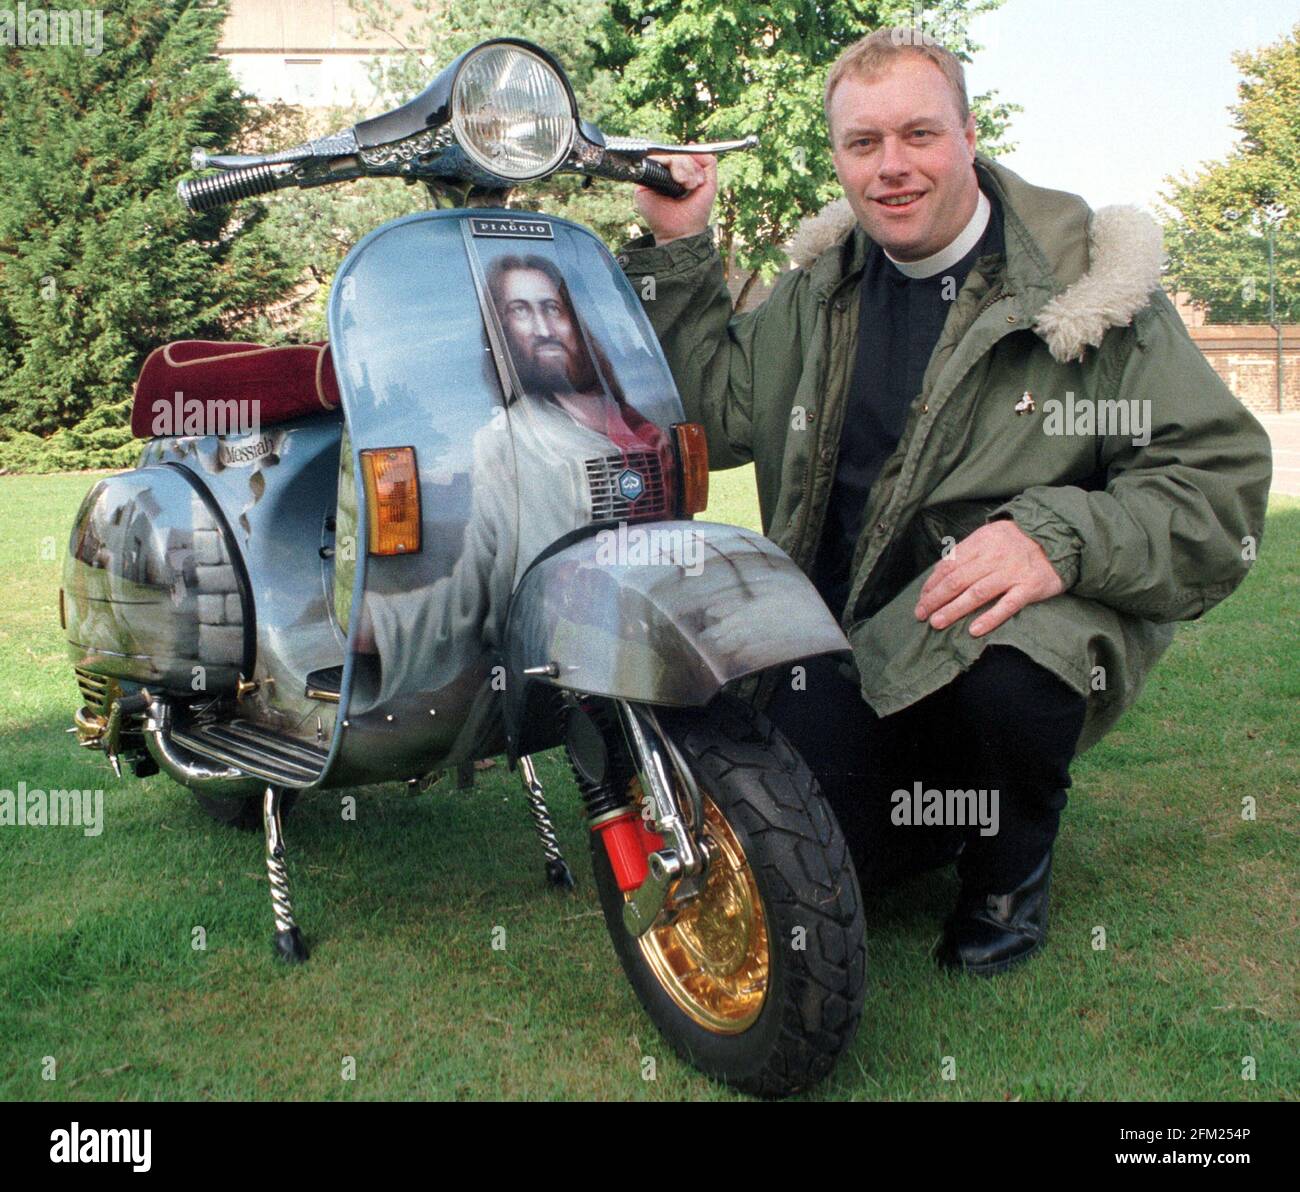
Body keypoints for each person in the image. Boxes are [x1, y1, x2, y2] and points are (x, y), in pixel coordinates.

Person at [616, 27, 1272, 975]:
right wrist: (682, 249)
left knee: (1017, 675)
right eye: (863, 144)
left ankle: (1011, 858)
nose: (892, 168)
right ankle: (932, 807)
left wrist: (1058, 535)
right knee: (809, 856)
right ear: (838, 157)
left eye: (919, 135)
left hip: (992, 644)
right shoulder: (820, 291)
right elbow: (710, 420)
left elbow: (1220, 484)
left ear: (968, 134)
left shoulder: (1089, 288)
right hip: (843, 646)